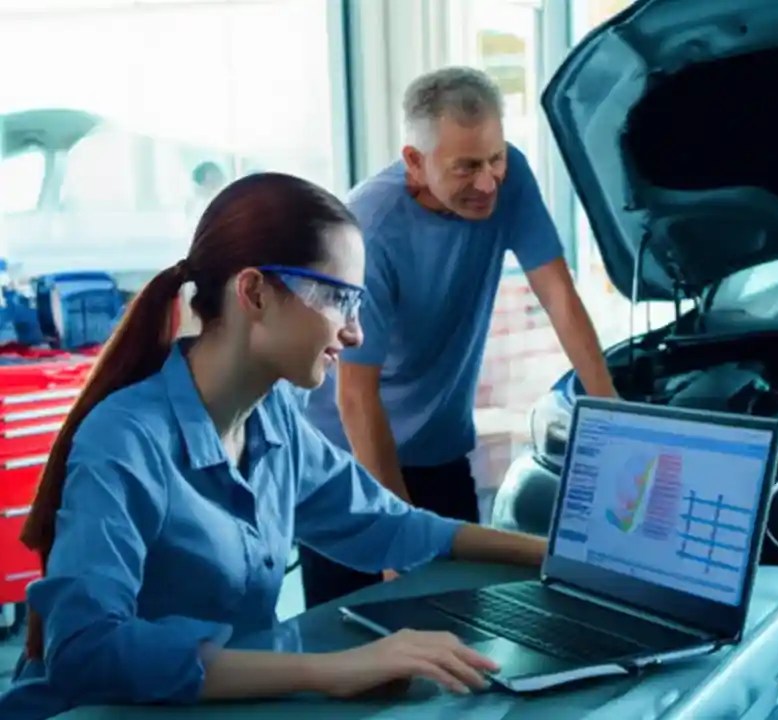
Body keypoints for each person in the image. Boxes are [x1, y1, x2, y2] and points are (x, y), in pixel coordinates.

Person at [0, 173, 548, 720]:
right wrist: (334, 671)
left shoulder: (274, 417)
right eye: (339, 299)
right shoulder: (125, 439)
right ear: (255, 293)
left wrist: (555, 558)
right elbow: (86, 652)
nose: (355, 333)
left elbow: (393, 526)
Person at [300, 67, 616, 608]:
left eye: (494, 158)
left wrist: (612, 415)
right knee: (357, 648)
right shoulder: (368, 231)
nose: (489, 181)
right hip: (346, 464)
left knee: (462, 625)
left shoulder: (509, 178)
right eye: (467, 166)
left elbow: (559, 297)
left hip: (439, 450)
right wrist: (394, 537)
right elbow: (356, 398)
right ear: (415, 162)